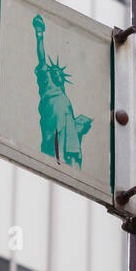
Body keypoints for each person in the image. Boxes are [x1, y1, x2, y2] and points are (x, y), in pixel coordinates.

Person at [33, 14, 92, 168]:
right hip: (51, 116)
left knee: (69, 149)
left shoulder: (64, 95)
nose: (58, 75)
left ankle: (69, 163)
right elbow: (42, 59)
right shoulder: (46, 83)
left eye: (60, 74)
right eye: (55, 73)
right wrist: (39, 35)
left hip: (66, 119)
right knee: (53, 145)